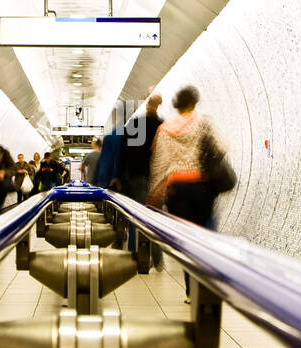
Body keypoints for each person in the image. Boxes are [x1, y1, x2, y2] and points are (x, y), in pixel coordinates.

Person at [148, 85, 228, 293]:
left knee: (185, 238)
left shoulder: (165, 129)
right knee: (205, 233)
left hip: (177, 190)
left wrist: (154, 191)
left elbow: (160, 164)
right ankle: (208, 281)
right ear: (193, 103)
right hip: (202, 187)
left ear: (176, 106)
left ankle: (191, 289)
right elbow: (223, 146)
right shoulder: (204, 124)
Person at [119, 93, 164, 264]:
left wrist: (121, 178)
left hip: (136, 177)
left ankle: (132, 255)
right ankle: (158, 257)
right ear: (159, 105)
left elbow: (124, 154)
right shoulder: (162, 125)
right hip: (157, 179)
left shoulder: (134, 124)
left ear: (146, 106)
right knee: (155, 219)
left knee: (135, 217)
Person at [94, 106, 125, 191]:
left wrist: (101, 185)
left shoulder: (110, 138)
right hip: (131, 184)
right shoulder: (135, 137)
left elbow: (105, 164)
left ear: (114, 118)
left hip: (113, 184)